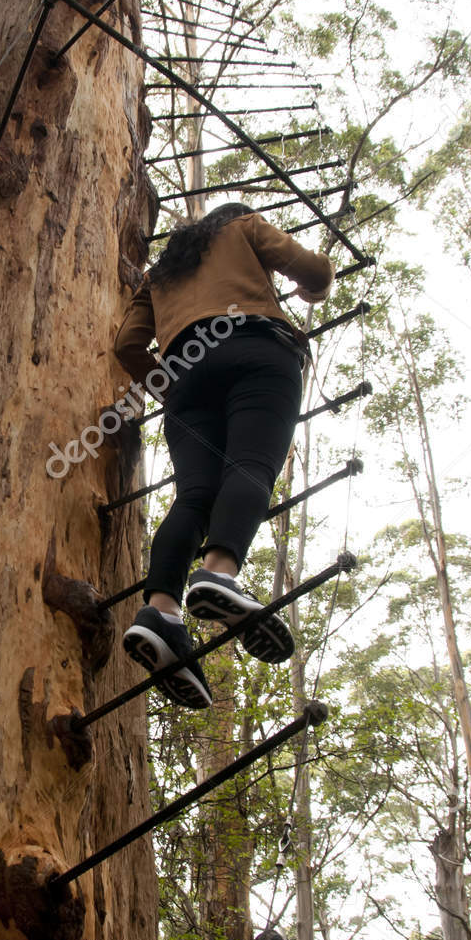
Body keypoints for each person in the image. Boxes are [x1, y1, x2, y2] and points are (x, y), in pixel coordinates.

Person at [113, 201, 335, 709]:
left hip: (187, 372)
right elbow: (315, 269)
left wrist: (172, 389)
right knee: (250, 466)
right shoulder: (243, 227)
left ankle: (161, 611)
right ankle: (218, 571)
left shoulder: (159, 275)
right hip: (258, 351)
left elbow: (127, 343)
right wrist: (314, 290)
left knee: (194, 495)